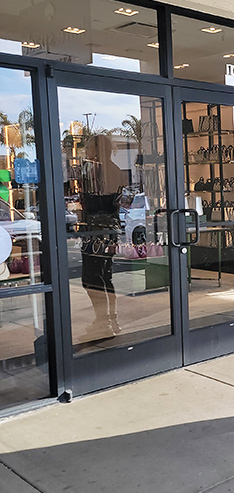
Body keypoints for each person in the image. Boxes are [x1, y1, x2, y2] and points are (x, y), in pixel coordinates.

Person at [79, 134, 127, 341]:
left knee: (92, 277)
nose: (87, 152)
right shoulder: (113, 169)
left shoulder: (97, 171)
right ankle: (108, 318)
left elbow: (96, 203)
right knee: (103, 275)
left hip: (98, 230)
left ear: (97, 150)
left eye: (90, 148)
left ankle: (104, 319)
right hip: (108, 230)